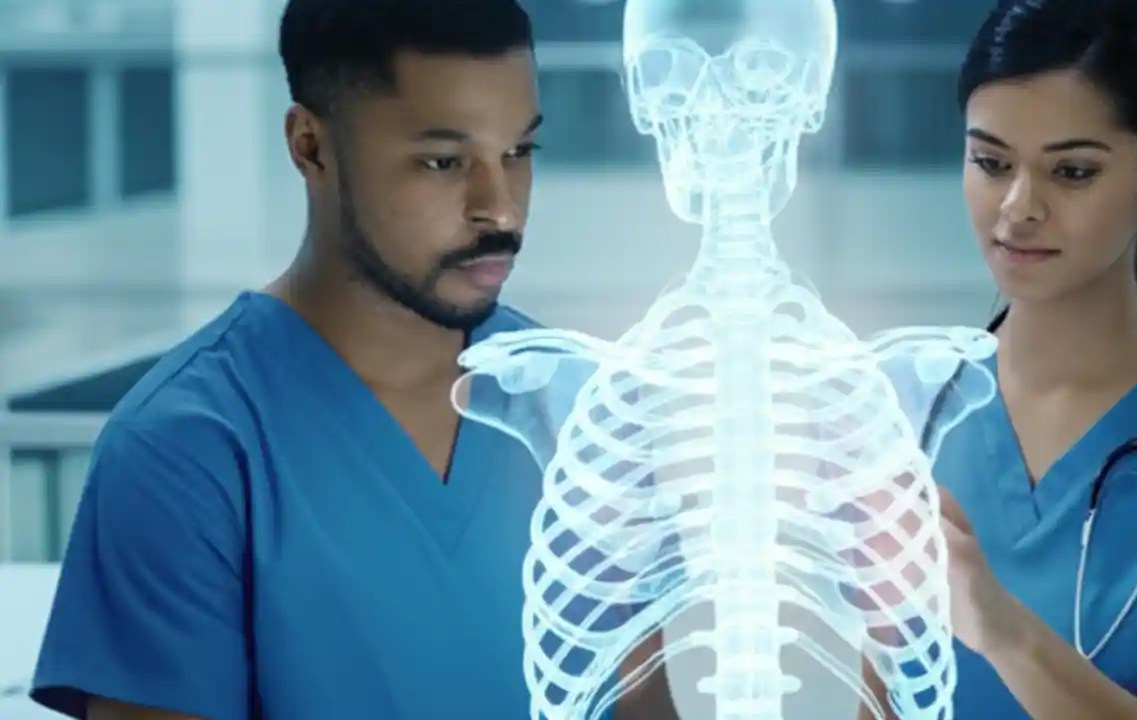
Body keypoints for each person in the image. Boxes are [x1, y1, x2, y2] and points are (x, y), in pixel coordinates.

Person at [26, 1, 675, 718]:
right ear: (311, 147)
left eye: (519, 153)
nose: (501, 209)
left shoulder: (581, 412)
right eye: (443, 161)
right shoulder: (188, 449)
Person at [859, 0, 1137, 718]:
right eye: (990, 162)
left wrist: (1000, 629)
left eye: (1073, 172)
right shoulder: (903, 413)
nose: (1018, 207)